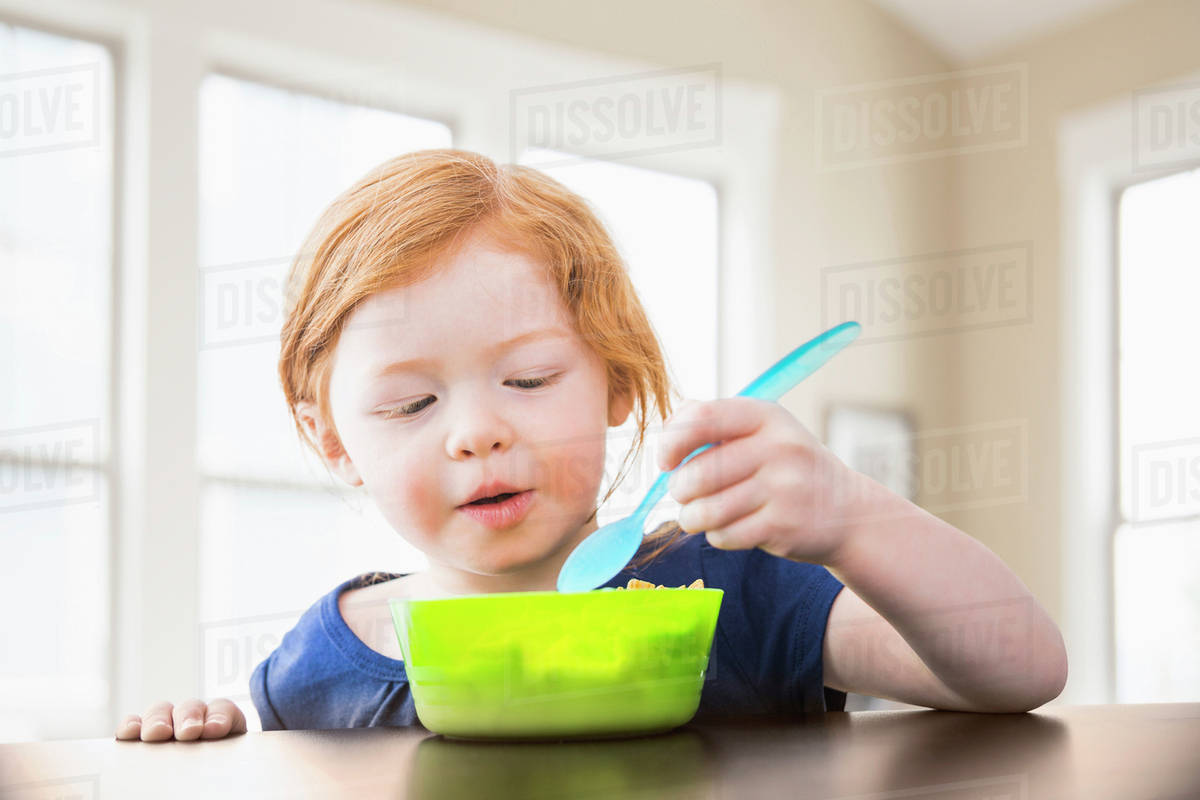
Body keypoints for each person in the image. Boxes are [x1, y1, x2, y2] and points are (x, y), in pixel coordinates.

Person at [116, 149, 1067, 741]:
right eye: (410, 404)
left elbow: (1020, 668)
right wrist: (209, 721)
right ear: (333, 439)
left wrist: (854, 518)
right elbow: (243, 722)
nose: (477, 430)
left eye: (528, 381)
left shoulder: (726, 589)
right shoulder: (326, 656)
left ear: (617, 378)